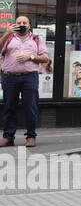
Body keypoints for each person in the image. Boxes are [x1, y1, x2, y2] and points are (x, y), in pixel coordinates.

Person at [2, 15, 51, 147]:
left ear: (29, 25)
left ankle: (31, 136)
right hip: (10, 77)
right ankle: (8, 137)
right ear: (15, 24)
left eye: (24, 22)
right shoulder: (9, 37)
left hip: (29, 77)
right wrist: (6, 34)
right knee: (9, 107)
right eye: (19, 22)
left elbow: (45, 58)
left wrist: (30, 56)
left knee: (30, 107)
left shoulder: (36, 39)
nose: (22, 24)